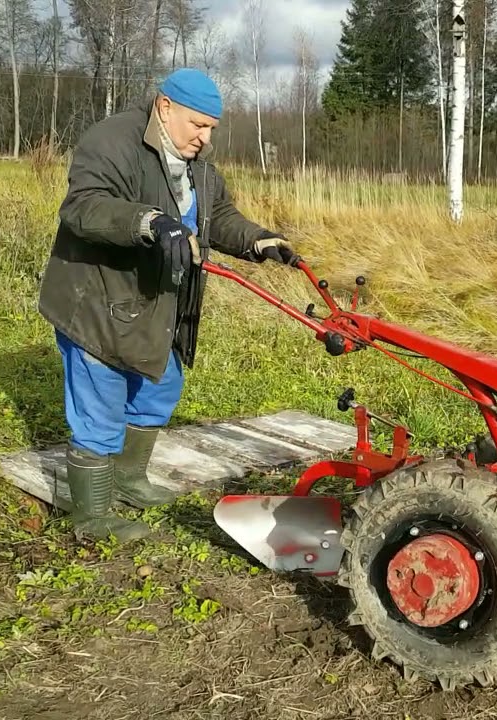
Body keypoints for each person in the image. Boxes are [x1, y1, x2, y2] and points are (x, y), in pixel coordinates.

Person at [37, 68, 300, 543]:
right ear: (165, 107)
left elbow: (216, 215)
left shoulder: (195, 160)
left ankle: (129, 479)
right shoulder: (112, 140)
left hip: (158, 304)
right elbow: (84, 206)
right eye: (198, 125)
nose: (205, 137)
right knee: (99, 404)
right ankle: (91, 518)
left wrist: (258, 241)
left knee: (159, 387)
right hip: (100, 298)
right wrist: (149, 222)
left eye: (211, 129)